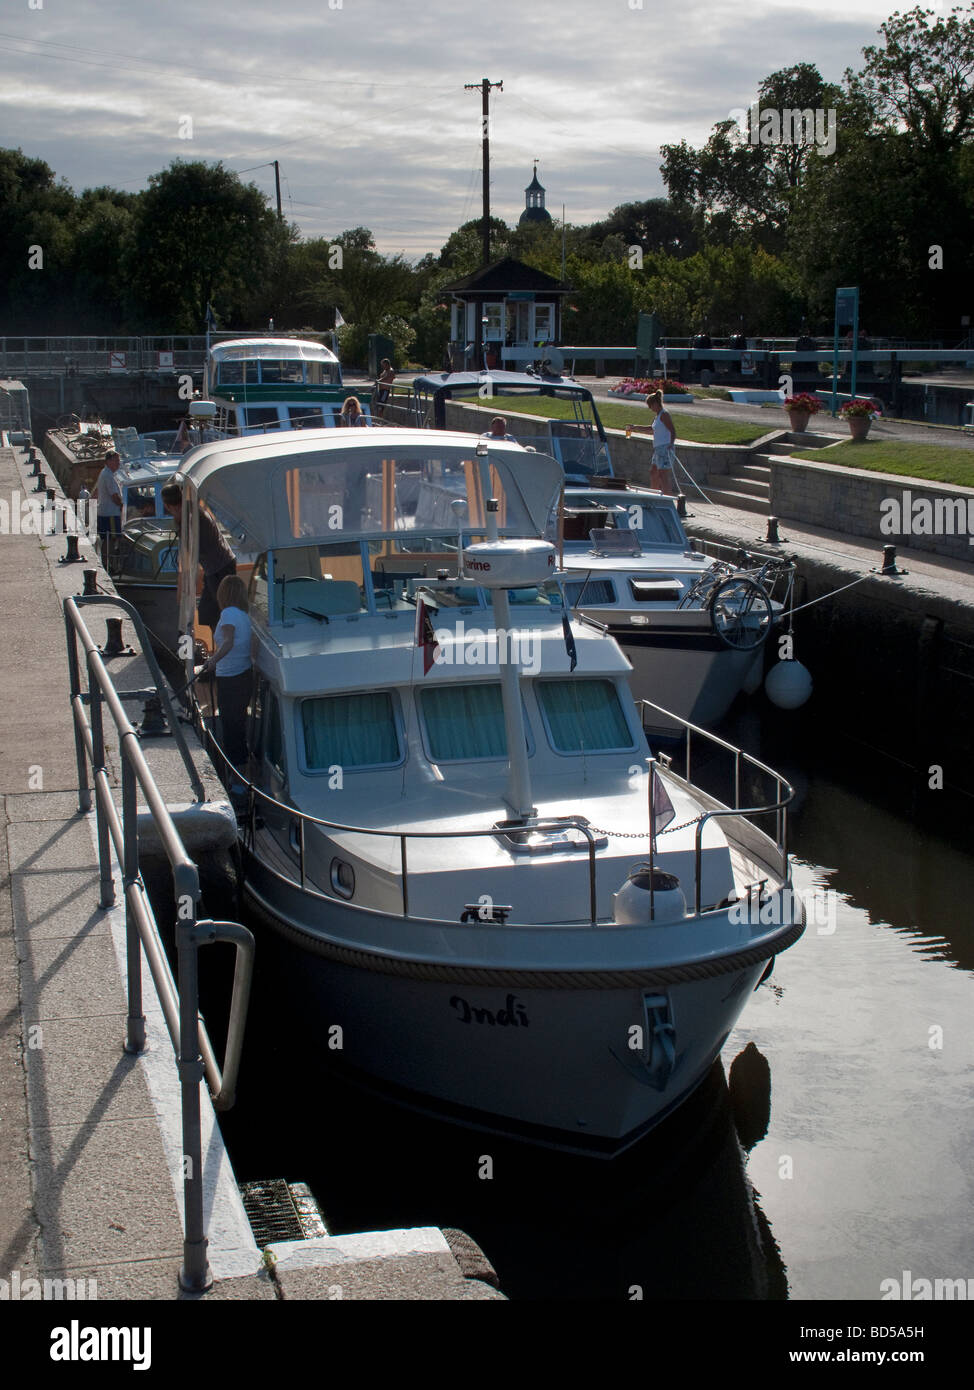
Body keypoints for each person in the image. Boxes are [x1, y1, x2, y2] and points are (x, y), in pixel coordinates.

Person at [161, 482, 237, 636]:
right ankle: (220, 645)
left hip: (221, 567)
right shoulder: (188, 513)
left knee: (223, 611)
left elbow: (191, 551)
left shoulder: (192, 518)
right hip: (214, 568)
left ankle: (226, 647)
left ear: (169, 506)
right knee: (207, 611)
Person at [199, 574, 252, 775]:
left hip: (230, 678)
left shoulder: (229, 613)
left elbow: (228, 641)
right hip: (244, 675)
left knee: (231, 727)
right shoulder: (244, 616)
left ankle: (237, 777)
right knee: (238, 724)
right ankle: (243, 769)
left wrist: (212, 661)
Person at [645, 390, 677, 496]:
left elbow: (672, 430)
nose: (650, 408)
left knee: (663, 475)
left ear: (655, 404)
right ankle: (653, 494)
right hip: (658, 448)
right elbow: (652, 429)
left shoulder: (664, 414)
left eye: (650, 406)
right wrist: (635, 427)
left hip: (664, 447)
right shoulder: (657, 416)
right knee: (653, 472)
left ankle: (668, 498)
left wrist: (671, 444)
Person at [95, 450, 123, 566]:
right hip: (110, 513)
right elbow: (114, 496)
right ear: (108, 461)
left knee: (108, 539)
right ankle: (109, 563)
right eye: (116, 461)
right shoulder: (108, 476)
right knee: (110, 539)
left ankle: (108, 562)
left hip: (105, 511)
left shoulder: (105, 473)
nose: (118, 463)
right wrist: (122, 505)